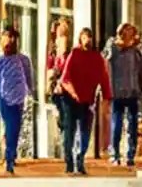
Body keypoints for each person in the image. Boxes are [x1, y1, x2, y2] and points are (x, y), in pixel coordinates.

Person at [59, 27, 112, 176]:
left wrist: (107, 97)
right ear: (80, 39)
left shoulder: (97, 58)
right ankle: (69, 161)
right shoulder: (74, 54)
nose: (87, 40)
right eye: (84, 37)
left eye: (89, 37)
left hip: (88, 100)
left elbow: (104, 79)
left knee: (85, 131)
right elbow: (65, 78)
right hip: (70, 99)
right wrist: (73, 92)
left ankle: (80, 158)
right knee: (69, 130)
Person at [0, 26, 33, 175]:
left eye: (13, 38)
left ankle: (10, 157)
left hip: (18, 99)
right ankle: (9, 159)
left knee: (14, 129)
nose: (10, 41)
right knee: (10, 127)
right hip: (3, 99)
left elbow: (28, 77)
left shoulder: (23, 59)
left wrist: (30, 92)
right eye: (7, 37)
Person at [104, 22, 142, 167]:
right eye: (129, 32)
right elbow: (106, 57)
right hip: (117, 92)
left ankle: (130, 155)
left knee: (132, 125)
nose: (132, 35)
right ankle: (115, 153)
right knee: (117, 123)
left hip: (133, 91)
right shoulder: (114, 46)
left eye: (132, 32)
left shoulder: (136, 51)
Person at [46, 19, 74, 165]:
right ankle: (66, 151)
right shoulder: (54, 53)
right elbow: (50, 70)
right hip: (58, 92)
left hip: (66, 90)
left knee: (67, 121)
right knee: (63, 121)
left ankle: (67, 152)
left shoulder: (69, 54)